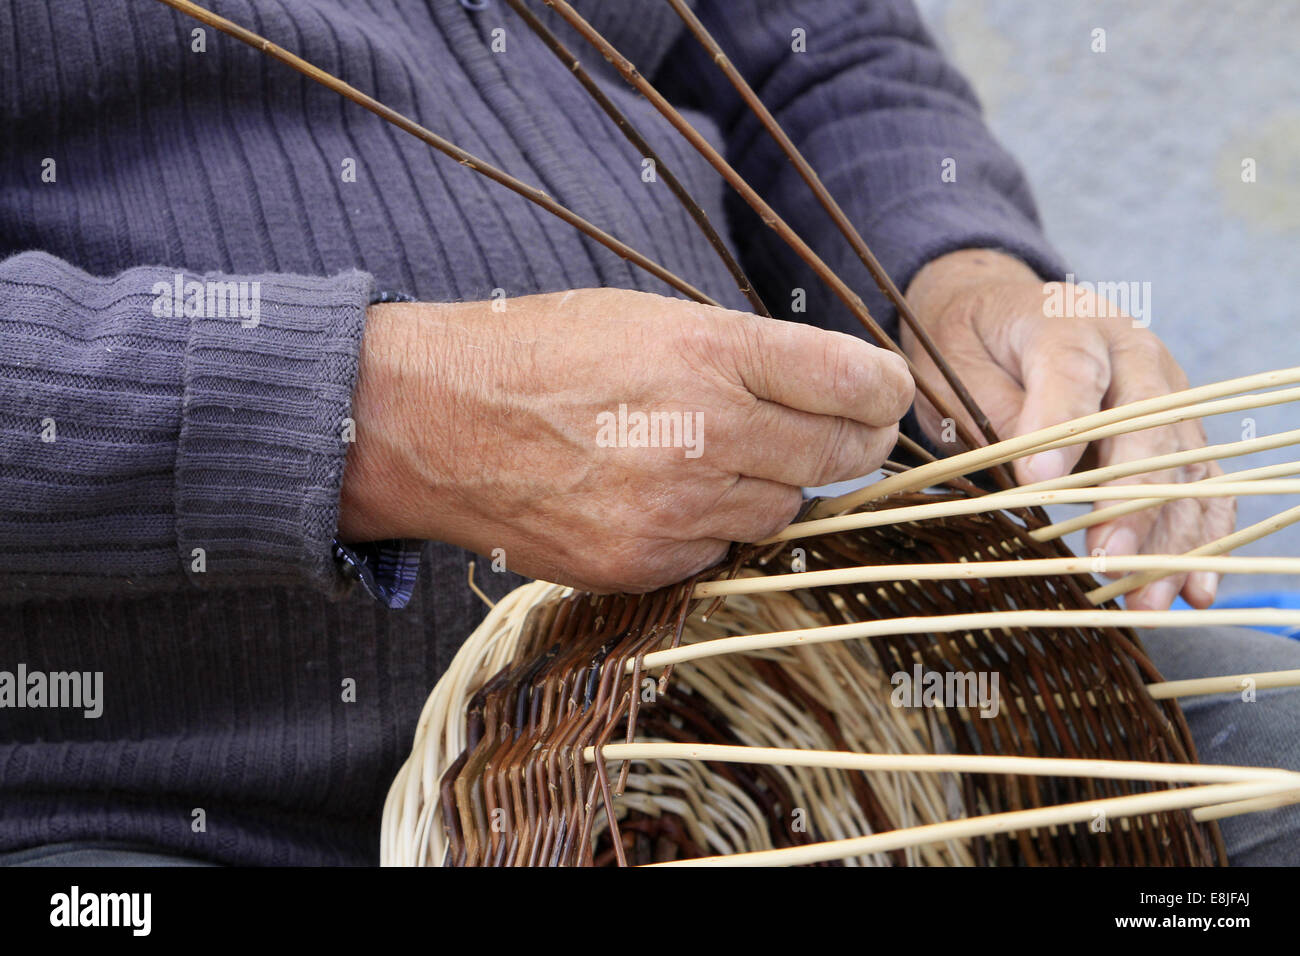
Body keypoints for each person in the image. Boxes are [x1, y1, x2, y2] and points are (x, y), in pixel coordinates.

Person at [1, 0, 1296, 866]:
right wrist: (370, 407)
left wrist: (946, 273)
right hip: (176, 808)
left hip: (789, 693)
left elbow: (810, 37)